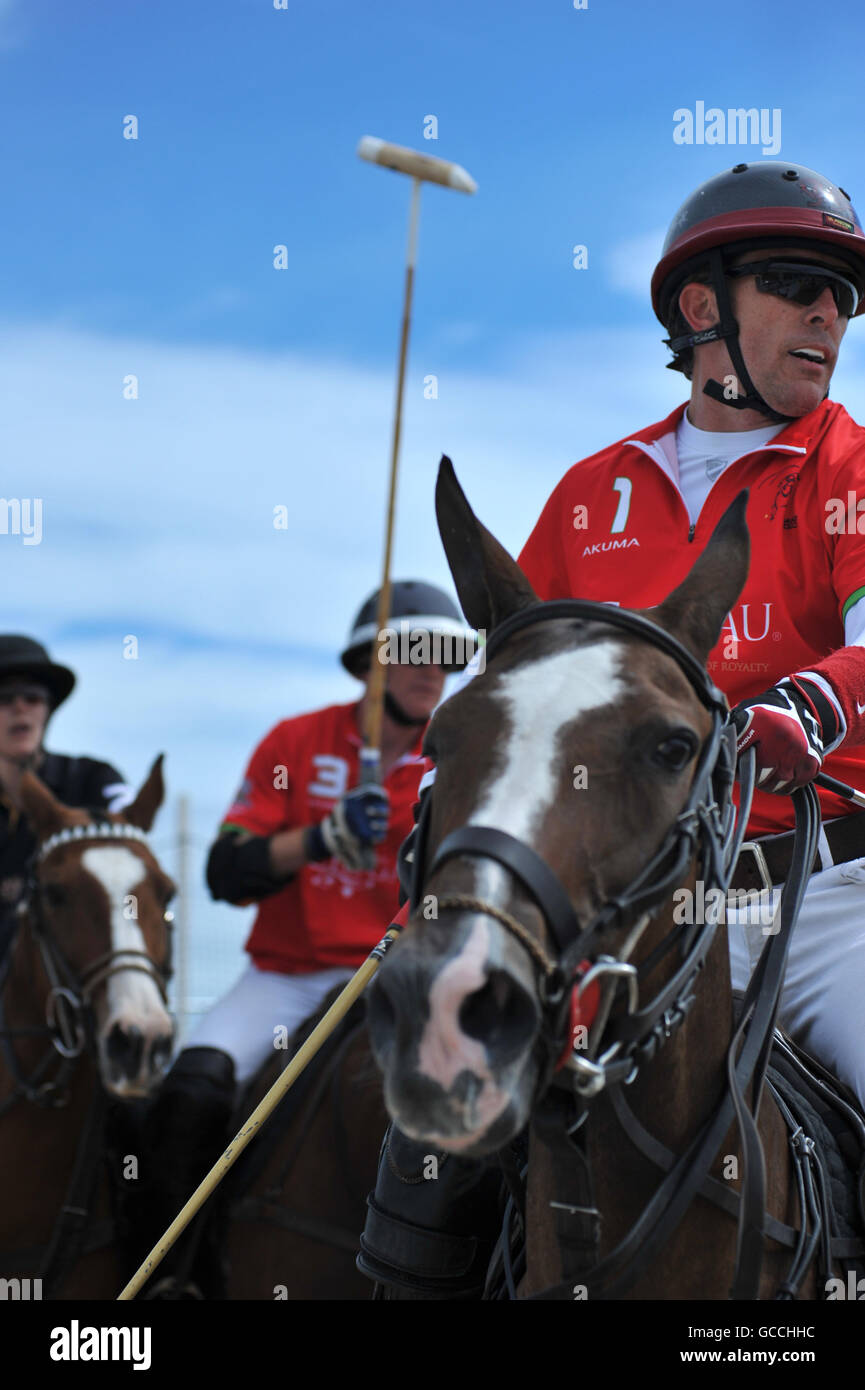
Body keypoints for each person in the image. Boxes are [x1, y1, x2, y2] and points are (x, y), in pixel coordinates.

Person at [358, 160, 865, 1298]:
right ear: (703, 310)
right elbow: (512, 703)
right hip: (628, 906)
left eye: (844, 295)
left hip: (827, 895)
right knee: (437, 1095)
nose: (829, 314)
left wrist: (816, 699)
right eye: (798, 283)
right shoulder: (594, 491)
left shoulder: (854, 468)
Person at [134, 581, 474, 1296]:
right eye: (412, 652)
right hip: (284, 977)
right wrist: (320, 837)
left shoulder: (459, 754)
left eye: (445, 656)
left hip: (396, 975)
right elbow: (227, 872)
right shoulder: (294, 742)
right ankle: (177, 1277)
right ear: (367, 663)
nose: (429, 670)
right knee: (189, 1091)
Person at [0, 635, 131, 962]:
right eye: (4, 698)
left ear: (48, 710)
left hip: (78, 982)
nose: (20, 707)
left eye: (33, 697)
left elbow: (130, 833)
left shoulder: (94, 780)